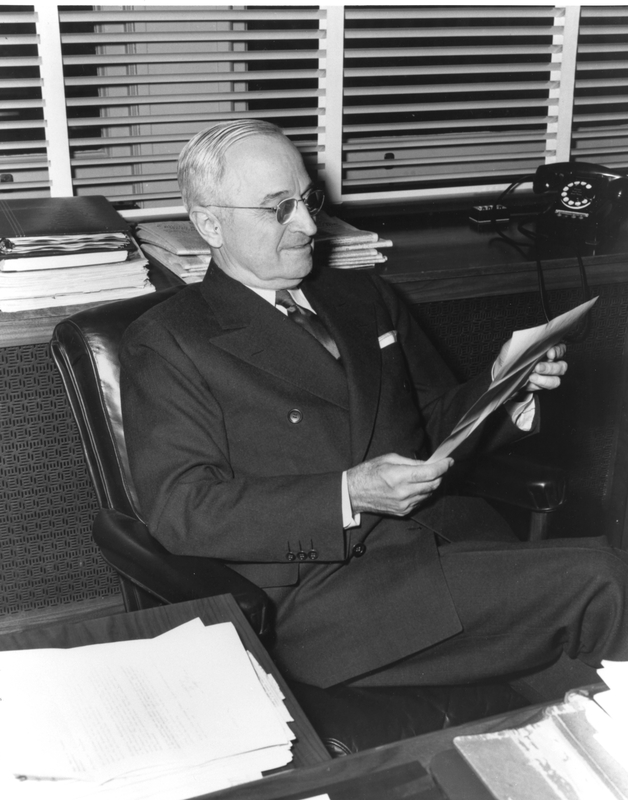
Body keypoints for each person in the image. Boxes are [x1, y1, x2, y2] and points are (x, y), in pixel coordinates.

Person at [120, 119, 628, 693]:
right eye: (278, 208)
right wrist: (349, 493)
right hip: (328, 599)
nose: (309, 224)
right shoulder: (168, 341)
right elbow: (184, 509)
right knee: (602, 579)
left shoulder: (361, 297)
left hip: (445, 544)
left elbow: (432, 425)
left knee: (581, 688)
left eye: (307, 199)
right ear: (210, 223)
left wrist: (504, 386)